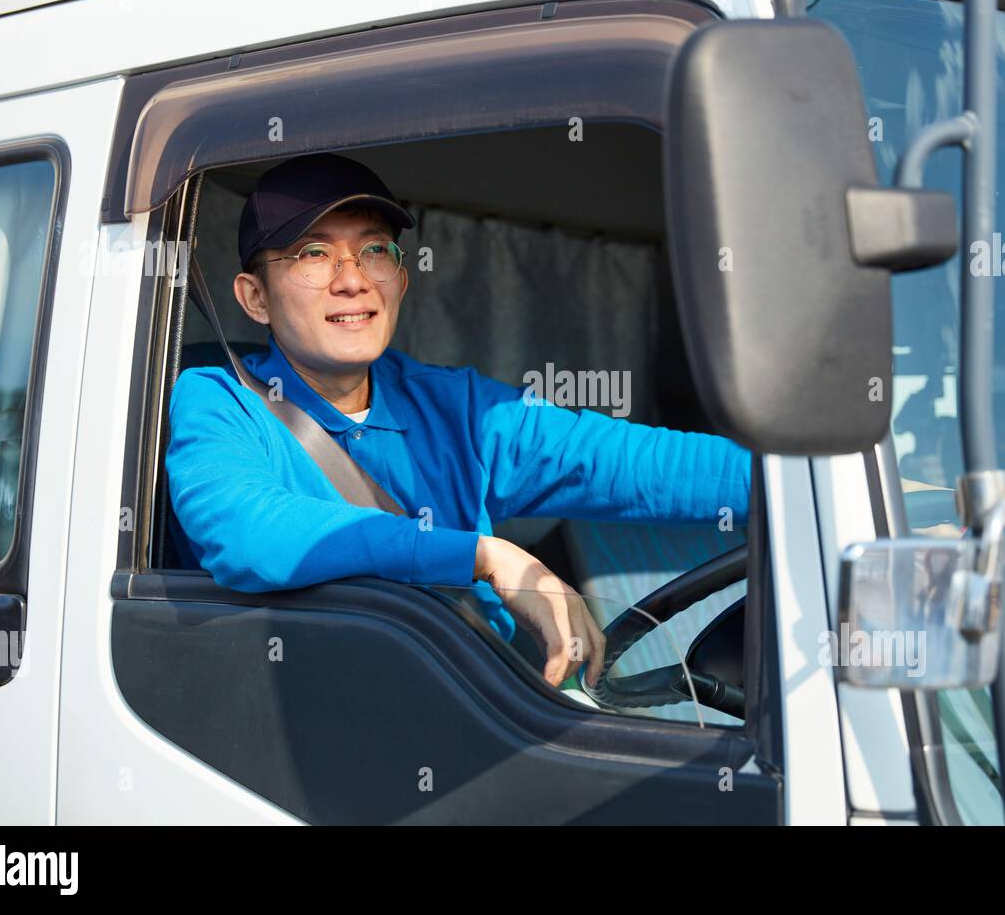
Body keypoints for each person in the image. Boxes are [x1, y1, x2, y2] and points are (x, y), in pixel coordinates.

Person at [166, 154, 751, 688]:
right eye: (313, 254)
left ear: (401, 278)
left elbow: (635, 464)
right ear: (255, 298)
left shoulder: (461, 408)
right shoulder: (219, 398)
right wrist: (483, 556)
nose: (353, 278)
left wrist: (804, 476)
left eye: (375, 250)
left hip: (466, 716)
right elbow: (251, 535)